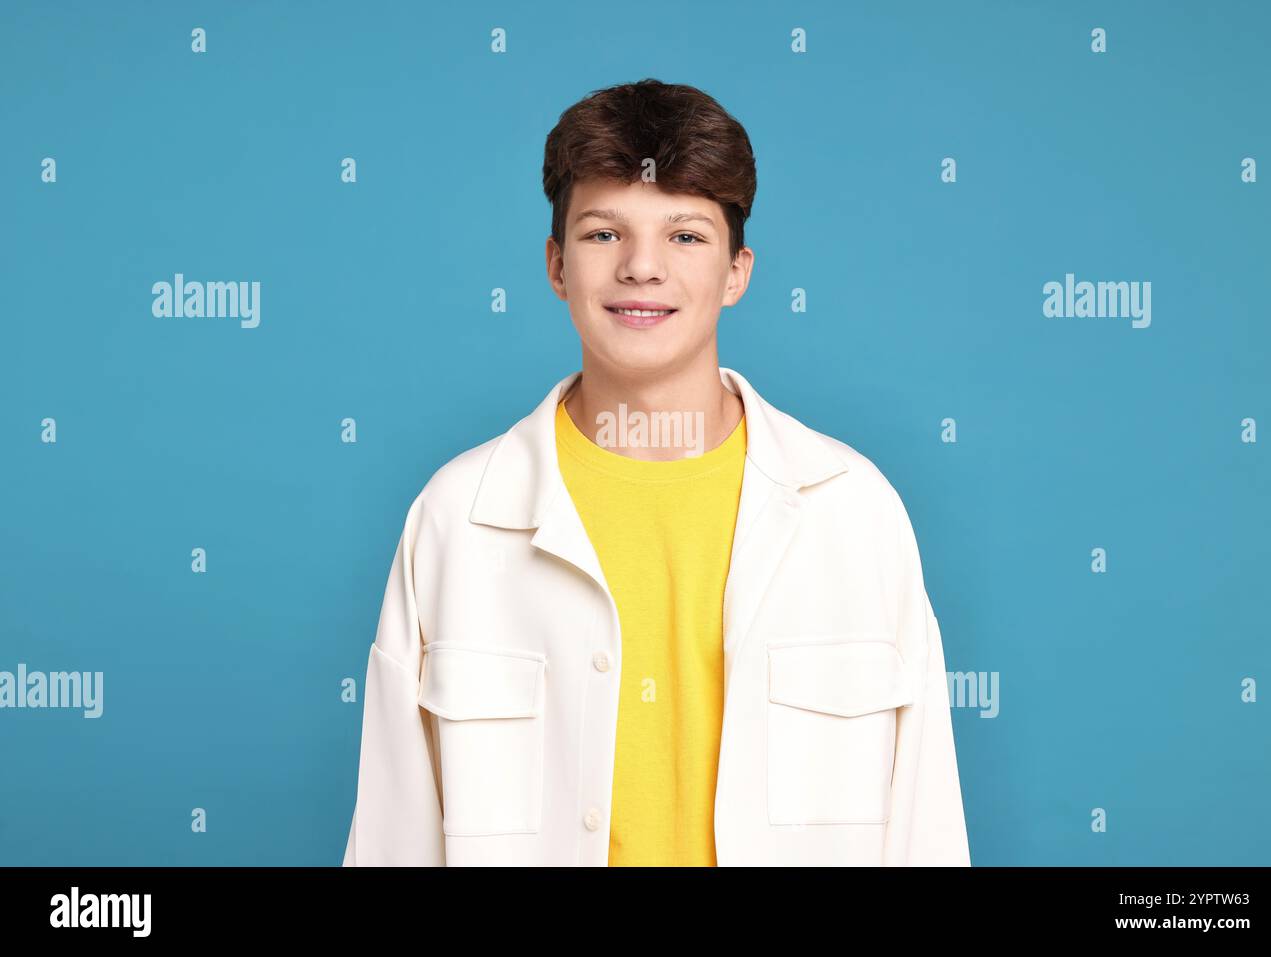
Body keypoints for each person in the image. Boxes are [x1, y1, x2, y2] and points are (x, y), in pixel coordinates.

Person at [342, 78, 970, 866]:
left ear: (737, 271)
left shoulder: (855, 512)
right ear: (555, 265)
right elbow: (394, 836)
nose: (642, 268)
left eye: (685, 236)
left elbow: (925, 827)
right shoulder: (456, 518)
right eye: (604, 234)